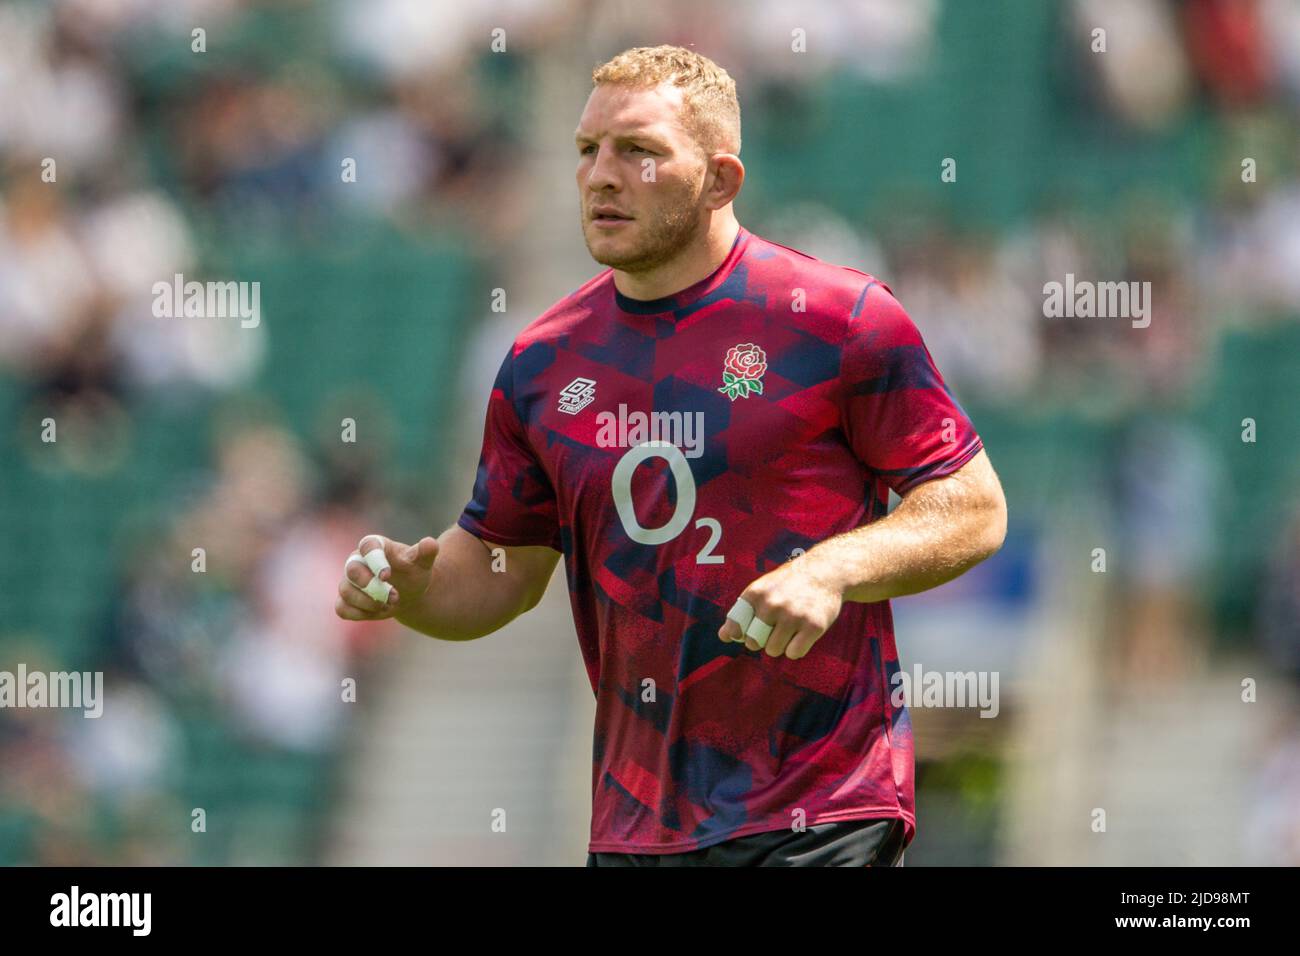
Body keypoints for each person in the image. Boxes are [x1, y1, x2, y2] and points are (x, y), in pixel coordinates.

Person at [335, 45, 1006, 866]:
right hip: (636, 829)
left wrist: (831, 570)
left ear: (720, 180)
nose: (601, 175)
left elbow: (972, 506)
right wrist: (418, 586)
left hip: (820, 811)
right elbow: (499, 573)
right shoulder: (543, 364)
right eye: (588, 151)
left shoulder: (839, 321)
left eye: (639, 151)